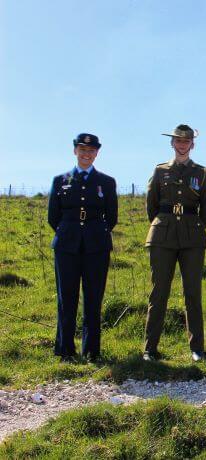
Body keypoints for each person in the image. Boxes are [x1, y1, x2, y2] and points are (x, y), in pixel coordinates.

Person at [143, 124, 206, 362]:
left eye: (187, 141)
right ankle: (150, 349)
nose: (182, 144)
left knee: (192, 292)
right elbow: (151, 205)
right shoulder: (160, 170)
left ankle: (197, 348)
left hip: (192, 237)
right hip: (162, 236)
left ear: (192, 144)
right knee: (159, 292)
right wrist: (163, 224)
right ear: (172, 143)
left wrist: (194, 227)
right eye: (178, 140)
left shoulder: (202, 173)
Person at [47, 133, 117, 362]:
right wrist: (70, 233)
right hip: (67, 246)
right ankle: (65, 350)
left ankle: (91, 351)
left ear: (97, 153)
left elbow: (112, 217)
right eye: (82, 150)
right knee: (66, 297)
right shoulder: (60, 180)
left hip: (96, 246)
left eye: (91, 151)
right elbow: (53, 217)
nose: (86, 154)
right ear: (75, 151)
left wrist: (93, 233)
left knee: (94, 298)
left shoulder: (106, 182)